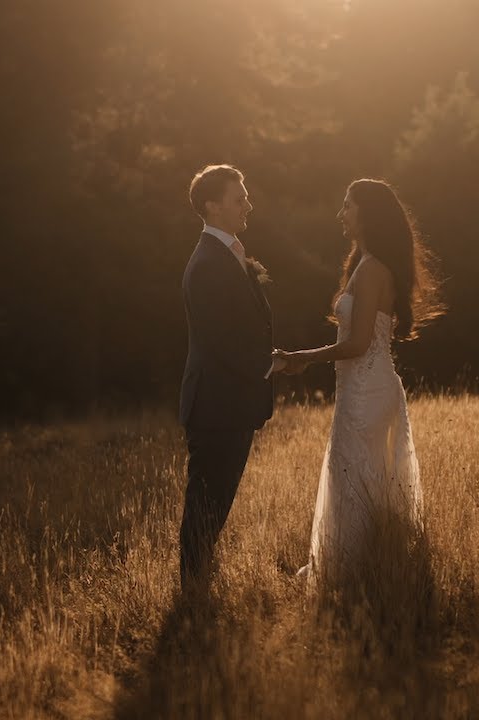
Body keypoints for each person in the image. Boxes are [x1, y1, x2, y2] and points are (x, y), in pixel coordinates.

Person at [276, 178, 445, 586]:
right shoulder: (365, 263)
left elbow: (357, 343)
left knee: (357, 478)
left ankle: (346, 574)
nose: (341, 214)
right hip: (363, 389)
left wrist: (302, 358)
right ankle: (362, 568)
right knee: (360, 477)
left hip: (367, 392)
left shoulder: (371, 270)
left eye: (348, 206)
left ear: (367, 214)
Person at [178, 164, 280, 593]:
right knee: (205, 504)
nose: (248, 206)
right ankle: (192, 590)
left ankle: (198, 585)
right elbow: (222, 343)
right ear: (212, 206)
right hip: (217, 405)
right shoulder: (207, 265)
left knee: (216, 505)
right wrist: (271, 363)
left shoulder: (229, 254)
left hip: (232, 403)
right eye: (239, 199)